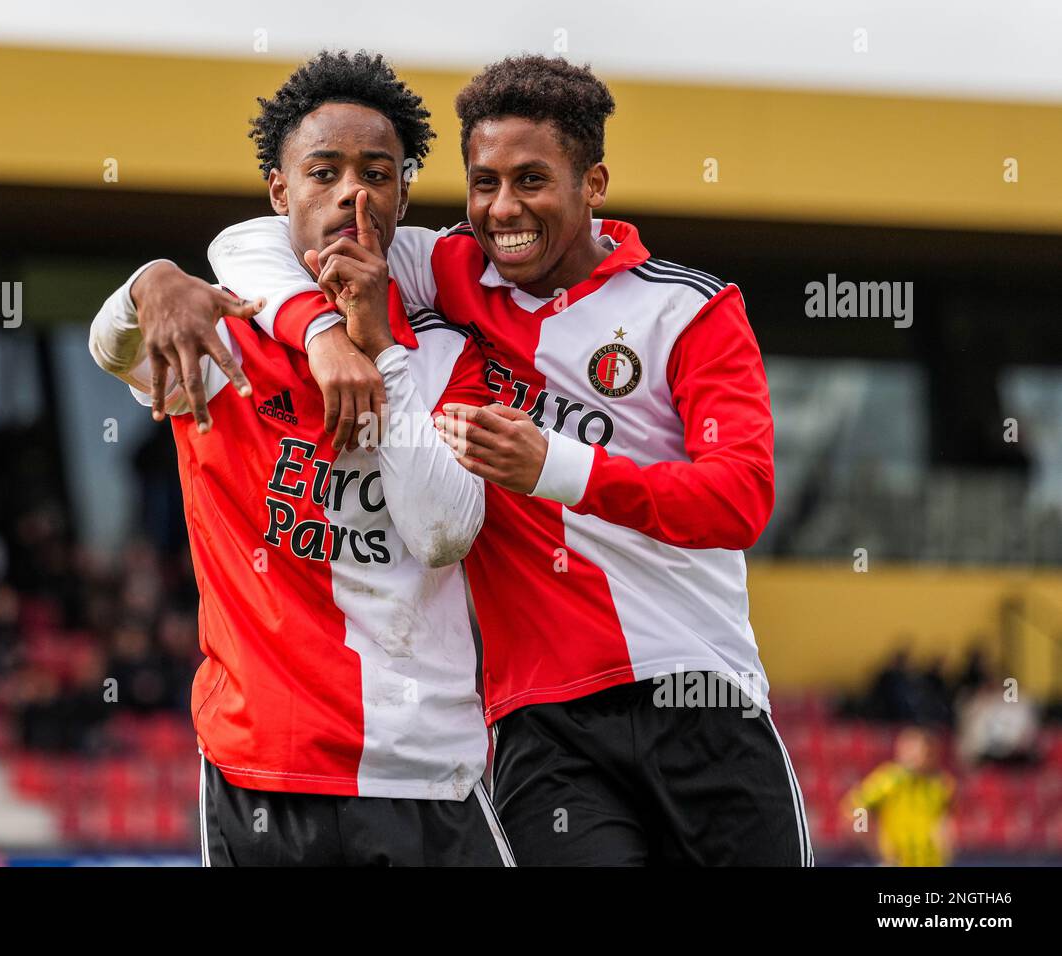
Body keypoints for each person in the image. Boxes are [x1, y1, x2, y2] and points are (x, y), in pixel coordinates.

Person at [113, 53, 807, 866]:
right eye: (483, 183)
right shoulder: (453, 267)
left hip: (698, 689)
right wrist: (177, 287)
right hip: (541, 720)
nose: (503, 209)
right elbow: (261, 237)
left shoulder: (690, 310)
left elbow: (738, 501)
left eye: (532, 181)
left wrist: (552, 463)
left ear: (595, 185)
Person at [89, 51, 512, 866]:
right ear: (281, 193)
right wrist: (151, 283)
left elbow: (442, 535)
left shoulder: (448, 353)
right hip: (263, 774)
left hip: (428, 774)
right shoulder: (218, 337)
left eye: (377, 173)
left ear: (401, 197)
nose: (353, 192)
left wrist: (381, 352)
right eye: (323, 172)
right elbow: (112, 349)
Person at [843, 726, 955, 866]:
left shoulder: (940, 784)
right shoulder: (890, 779)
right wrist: (873, 845)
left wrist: (946, 849)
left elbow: (943, 822)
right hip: (899, 862)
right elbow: (856, 807)